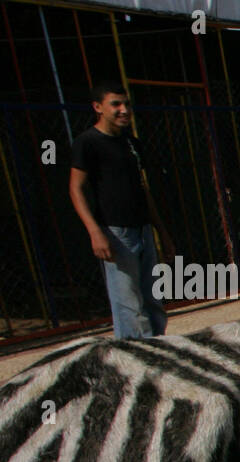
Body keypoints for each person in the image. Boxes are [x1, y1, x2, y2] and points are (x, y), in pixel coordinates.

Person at [69, 82, 174, 339]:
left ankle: (158, 350)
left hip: (142, 229)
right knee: (129, 305)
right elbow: (75, 189)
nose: (124, 110)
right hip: (116, 232)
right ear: (98, 107)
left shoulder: (132, 143)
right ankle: (137, 361)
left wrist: (161, 232)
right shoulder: (88, 143)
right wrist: (95, 231)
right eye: (116, 104)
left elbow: (142, 189)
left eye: (126, 104)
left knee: (153, 300)